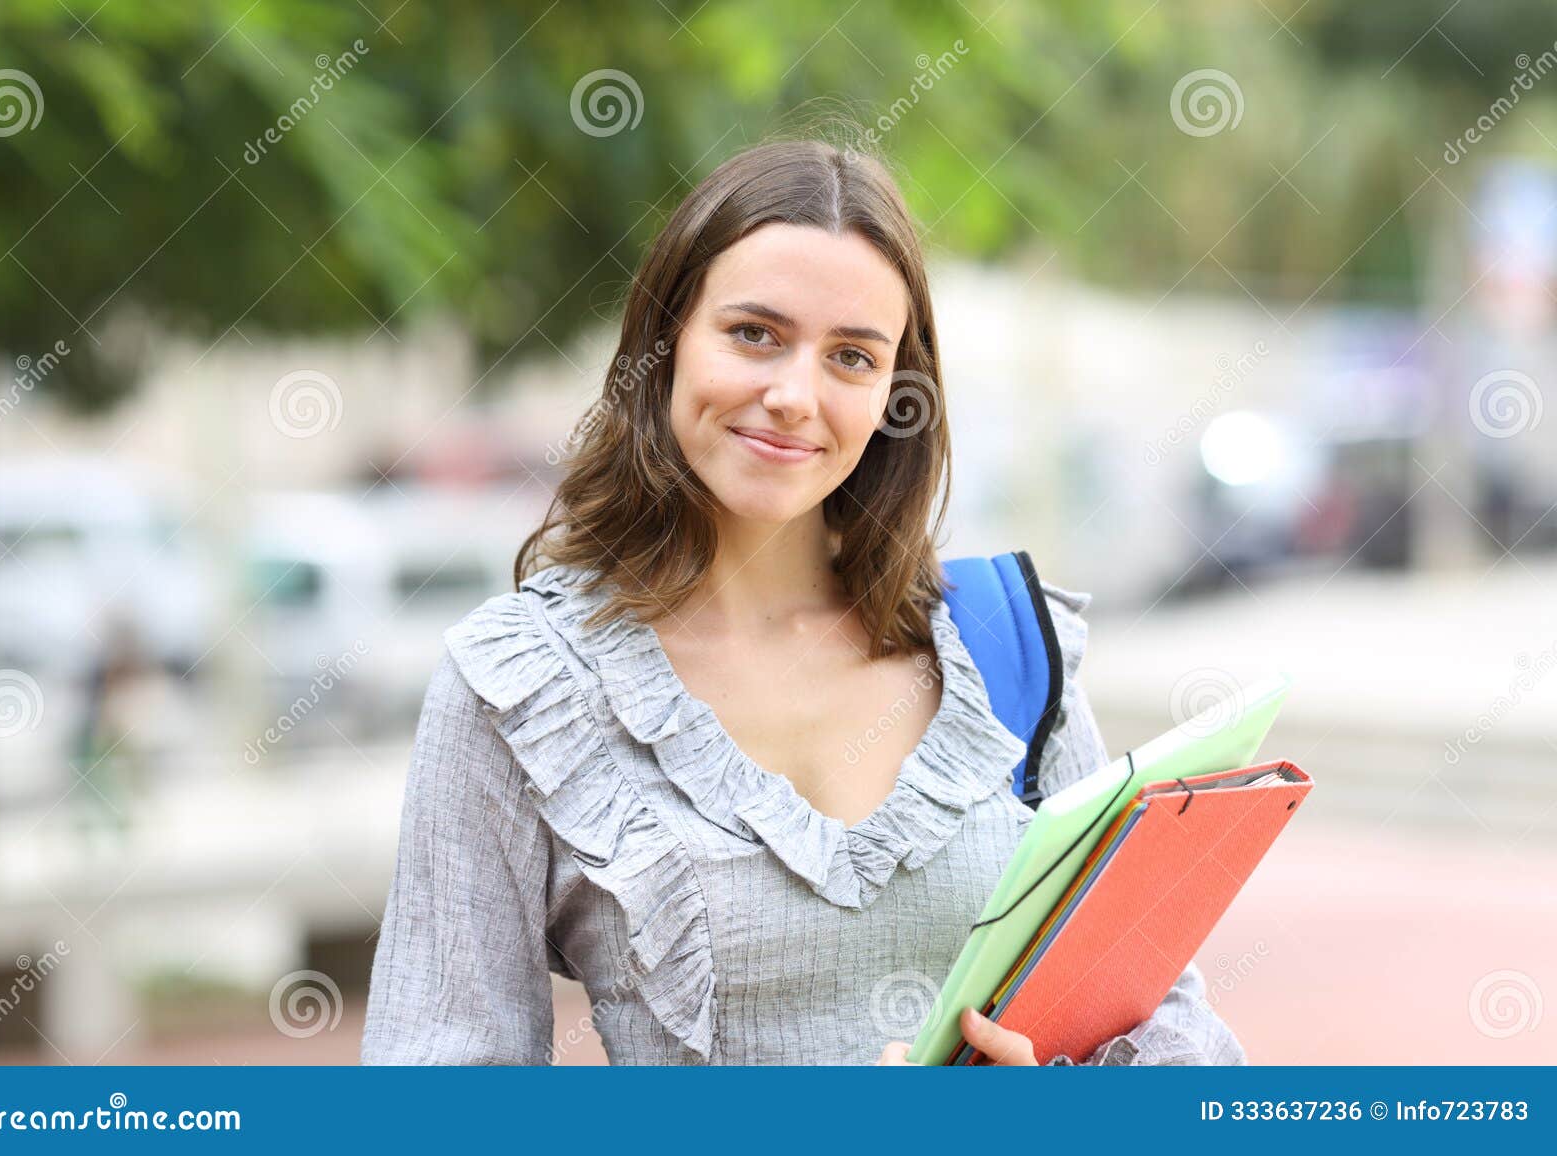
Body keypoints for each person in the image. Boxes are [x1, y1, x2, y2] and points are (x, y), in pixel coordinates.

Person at [361, 136, 1246, 1066]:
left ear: (895, 395)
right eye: (755, 335)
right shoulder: (520, 687)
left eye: (852, 358)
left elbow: (1177, 1038)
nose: (794, 395)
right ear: (663, 346)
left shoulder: (1005, 648)